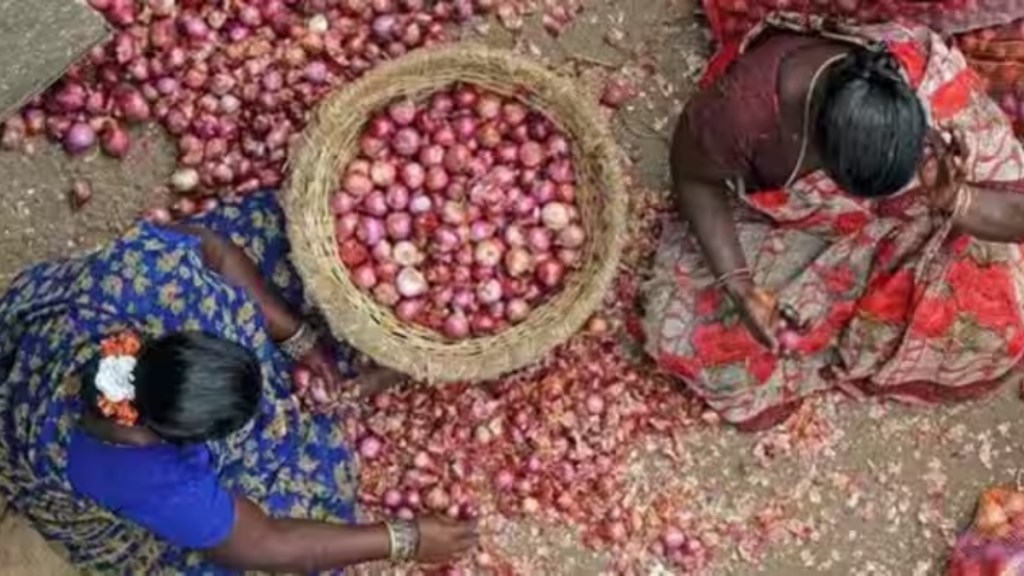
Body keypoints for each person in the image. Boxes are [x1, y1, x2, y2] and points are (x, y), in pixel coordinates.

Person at [0, 192, 477, 573]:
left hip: (54, 330)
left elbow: (215, 250)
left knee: (274, 234)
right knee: (317, 510)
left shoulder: (150, 281)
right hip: (61, 449)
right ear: (173, 437)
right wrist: (404, 539)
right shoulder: (142, 473)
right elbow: (263, 543)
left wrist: (297, 337)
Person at [642, 13, 1024, 430]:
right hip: (810, 218)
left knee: (995, 324)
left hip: (903, 194)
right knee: (689, 339)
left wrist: (955, 198)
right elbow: (694, 177)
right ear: (823, 157)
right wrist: (741, 289)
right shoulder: (742, 115)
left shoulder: (914, 93)